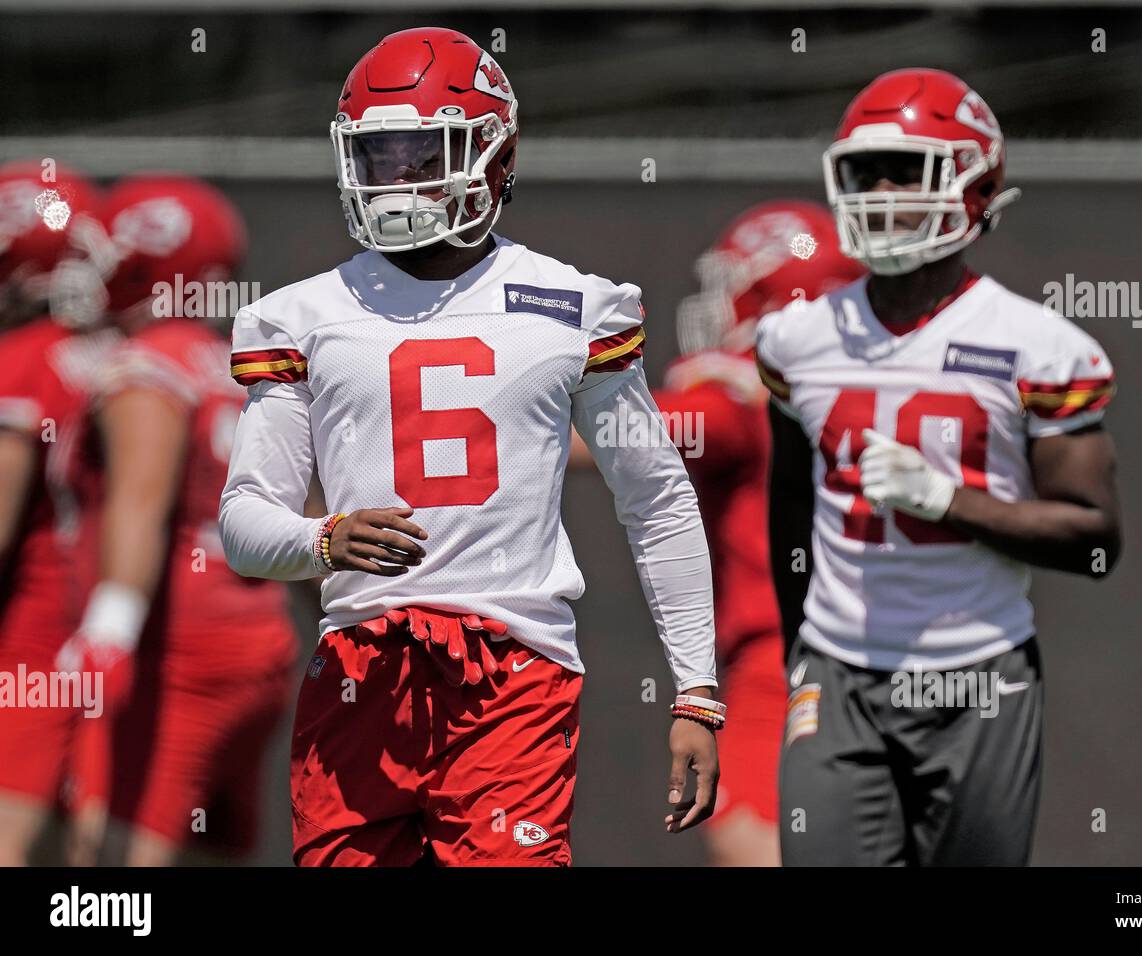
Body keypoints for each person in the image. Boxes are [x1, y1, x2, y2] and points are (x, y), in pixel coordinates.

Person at [218, 27, 721, 867]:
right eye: (377, 156)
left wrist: (697, 692)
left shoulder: (573, 306)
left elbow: (657, 500)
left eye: (422, 152)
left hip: (513, 670)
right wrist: (321, 539)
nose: (396, 179)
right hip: (359, 670)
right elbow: (242, 522)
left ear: (494, 153)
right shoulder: (299, 316)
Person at [760, 68, 1122, 866]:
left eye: (907, 171)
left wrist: (944, 499)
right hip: (840, 670)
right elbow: (790, 506)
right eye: (864, 172)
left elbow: (1096, 540)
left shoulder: (1037, 346)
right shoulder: (797, 339)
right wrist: (801, 647)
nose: (881, 192)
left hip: (978, 673)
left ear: (973, 184)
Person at [575, 200, 863, 865]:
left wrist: (500, 427)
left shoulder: (737, 406)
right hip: (866, 641)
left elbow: (625, 438)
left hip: (784, 651)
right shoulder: (874, 392)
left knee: (741, 821)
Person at [52, 175, 299, 866]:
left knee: (121, 869)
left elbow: (141, 497)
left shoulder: (147, 367)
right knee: (210, 852)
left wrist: (110, 626)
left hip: (181, 653)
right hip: (260, 644)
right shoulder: (240, 369)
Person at [0, 161, 114, 865]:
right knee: (103, 858)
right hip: (124, 633)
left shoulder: (22, 360)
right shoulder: (120, 352)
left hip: (38, 633)